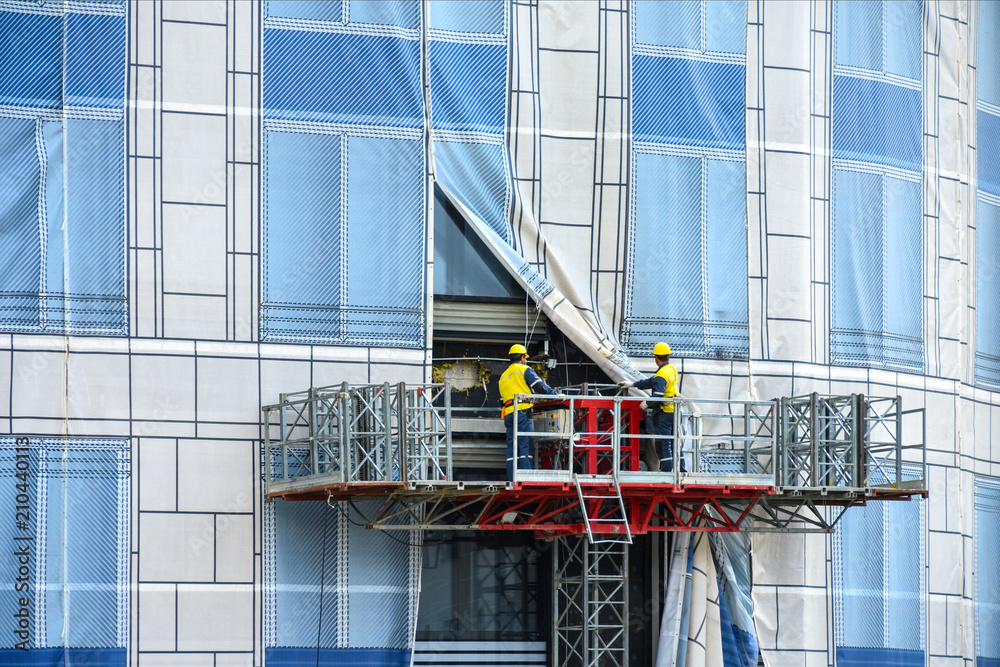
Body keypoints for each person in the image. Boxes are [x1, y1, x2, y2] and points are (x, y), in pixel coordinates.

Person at [618, 342, 685, 472]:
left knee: (663, 443)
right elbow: (650, 382)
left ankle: (666, 471)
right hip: (675, 411)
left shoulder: (661, 374)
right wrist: (633, 384)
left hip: (665, 413)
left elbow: (657, 396)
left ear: (656, 358)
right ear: (669, 356)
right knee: (675, 442)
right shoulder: (671, 370)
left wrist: (646, 404)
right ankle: (681, 469)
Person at [498, 343, 556, 480]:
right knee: (525, 442)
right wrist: (556, 395)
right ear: (523, 357)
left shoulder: (503, 376)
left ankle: (513, 477)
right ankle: (525, 477)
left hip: (509, 414)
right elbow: (539, 386)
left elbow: (502, 399)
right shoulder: (524, 369)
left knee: (512, 444)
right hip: (523, 411)